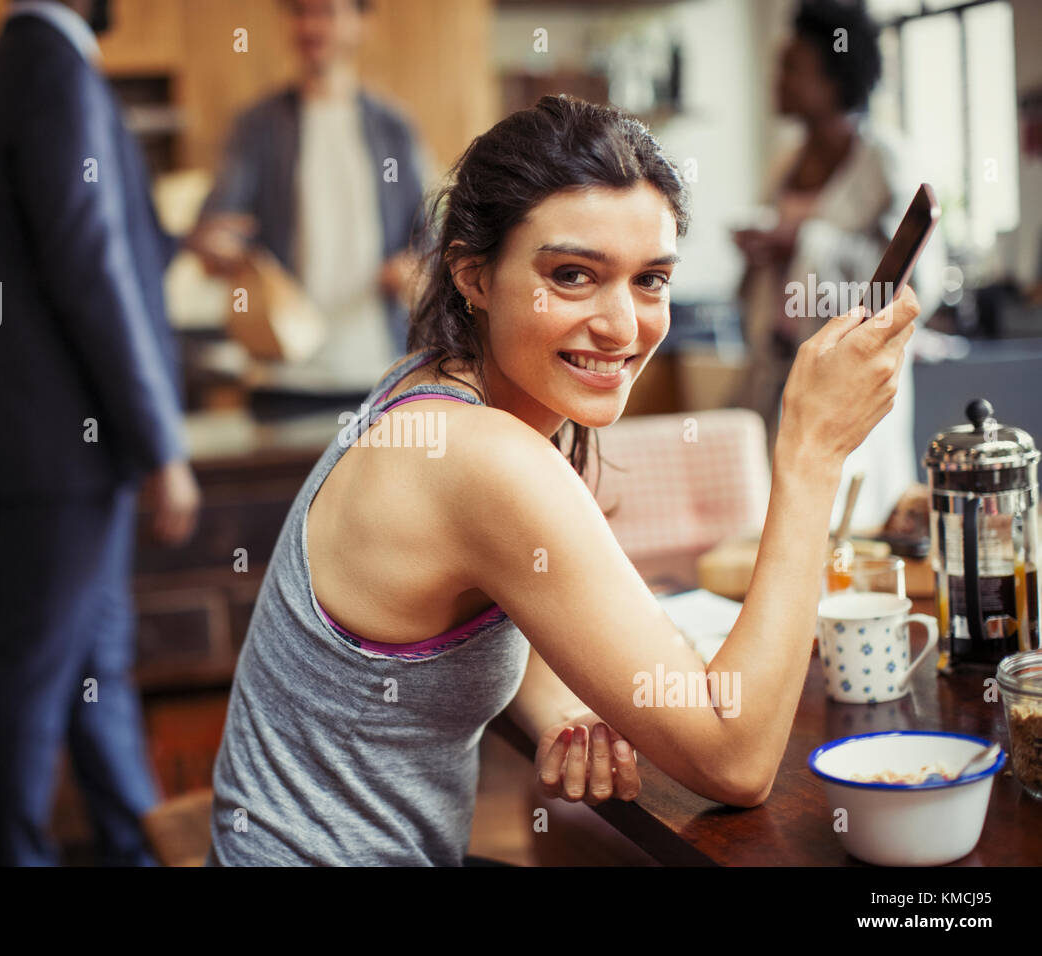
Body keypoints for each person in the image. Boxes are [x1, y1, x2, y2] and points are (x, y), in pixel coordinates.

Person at [205, 94, 920, 866]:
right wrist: (812, 453)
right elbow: (736, 758)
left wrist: (568, 711)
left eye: (650, 280)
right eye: (573, 275)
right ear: (473, 275)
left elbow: (510, 600)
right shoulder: (481, 457)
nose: (622, 326)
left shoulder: (431, 382)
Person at [0, 0, 200, 865]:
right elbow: (90, 266)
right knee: (37, 674)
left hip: (48, 441)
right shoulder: (55, 73)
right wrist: (161, 443)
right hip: (68, 447)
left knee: (95, 668)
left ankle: (138, 847)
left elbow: (92, 241)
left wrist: (178, 240)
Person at [732, 0, 945, 532]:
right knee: (783, 512)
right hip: (780, 365)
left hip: (851, 368)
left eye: (792, 66)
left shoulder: (884, 160)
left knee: (854, 515)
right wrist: (765, 251)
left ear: (833, 77)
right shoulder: (787, 161)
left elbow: (918, 278)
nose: (777, 79)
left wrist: (803, 241)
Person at [185, 0, 431, 388]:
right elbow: (215, 230)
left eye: (327, 12)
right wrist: (217, 247)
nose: (311, 26)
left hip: (380, 367)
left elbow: (430, 241)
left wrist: (412, 270)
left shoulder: (394, 129)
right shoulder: (257, 128)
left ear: (360, 23)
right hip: (283, 370)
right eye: (301, 11)